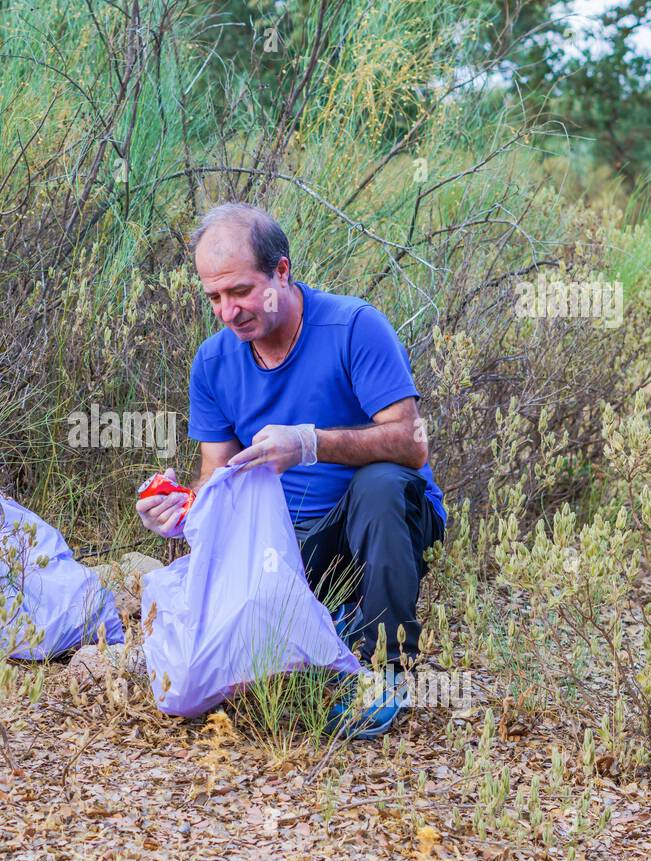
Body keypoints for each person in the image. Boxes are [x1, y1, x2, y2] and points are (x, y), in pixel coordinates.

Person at [135, 202, 446, 737]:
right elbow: (217, 471)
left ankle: (386, 672)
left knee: (381, 484)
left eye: (240, 292)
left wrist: (309, 444)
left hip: (373, 525)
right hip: (285, 545)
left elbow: (411, 444)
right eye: (214, 297)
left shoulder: (353, 327)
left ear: (282, 272)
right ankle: (333, 623)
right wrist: (181, 508)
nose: (228, 312)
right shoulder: (213, 363)